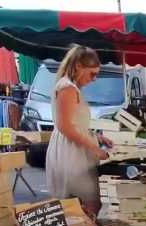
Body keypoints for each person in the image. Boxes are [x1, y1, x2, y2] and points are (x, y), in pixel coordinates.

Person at [46, 45, 112, 216]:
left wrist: (97, 137)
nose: (94, 79)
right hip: (72, 154)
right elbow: (65, 126)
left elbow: (75, 123)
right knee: (86, 204)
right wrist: (94, 148)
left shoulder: (69, 87)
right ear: (78, 66)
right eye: (92, 74)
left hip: (74, 150)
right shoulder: (67, 89)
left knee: (84, 205)